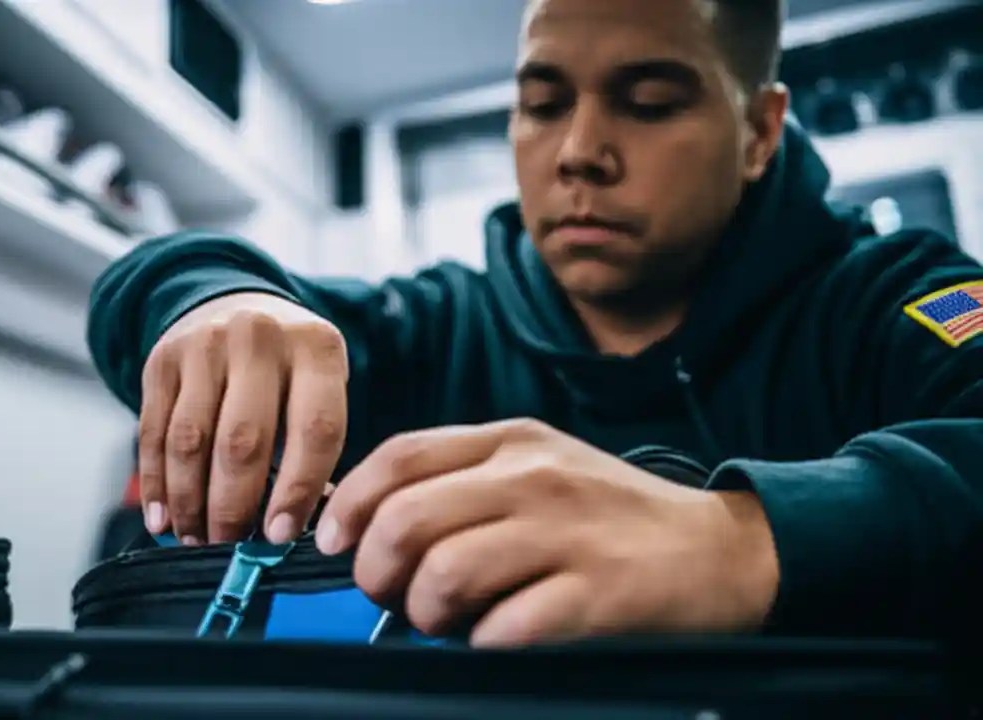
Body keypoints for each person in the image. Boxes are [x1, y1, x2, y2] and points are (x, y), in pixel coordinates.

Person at [86, 0, 983, 647]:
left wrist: (747, 542)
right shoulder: (443, 323)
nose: (578, 152)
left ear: (759, 130)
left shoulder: (893, 297)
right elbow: (169, 273)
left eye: (650, 102)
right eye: (543, 104)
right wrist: (219, 300)